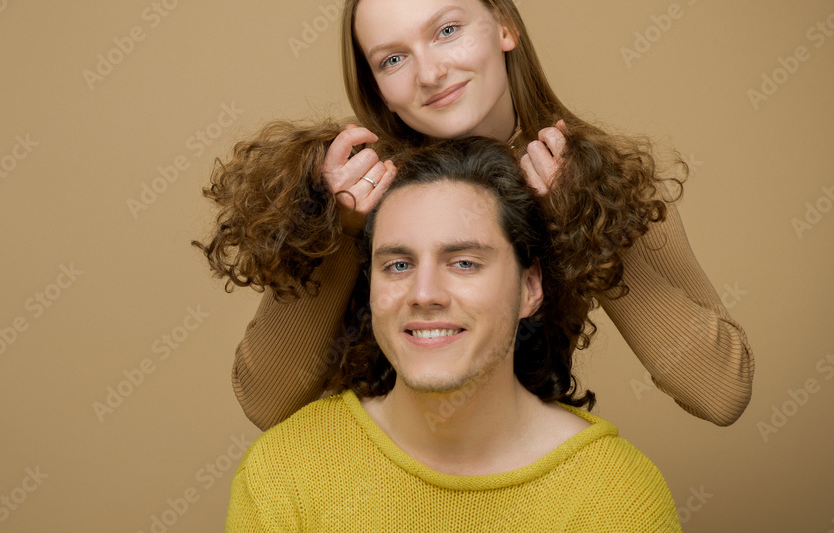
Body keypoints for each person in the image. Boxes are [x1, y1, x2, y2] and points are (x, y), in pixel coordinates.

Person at [195, 0, 754, 429]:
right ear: (374, 85)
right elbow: (264, 402)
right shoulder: (348, 186)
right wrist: (338, 231)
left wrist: (587, 226)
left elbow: (720, 392)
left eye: (447, 31)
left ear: (504, 26)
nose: (430, 73)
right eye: (393, 59)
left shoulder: (602, 184)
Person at [225, 138, 682, 532]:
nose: (424, 294)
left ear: (529, 288)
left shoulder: (619, 498)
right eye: (398, 265)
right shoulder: (285, 474)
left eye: (464, 262)